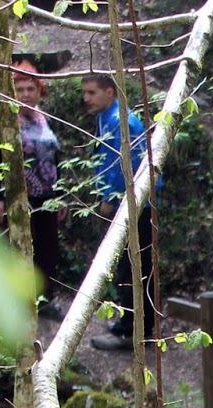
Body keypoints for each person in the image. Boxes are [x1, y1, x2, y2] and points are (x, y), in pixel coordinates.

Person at [82, 72, 162, 350]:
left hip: (134, 206)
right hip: (128, 205)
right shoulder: (106, 118)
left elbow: (125, 164)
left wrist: (109, 197)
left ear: (110, 92)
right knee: (129, 267)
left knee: (135, 268)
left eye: (92, 93)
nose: (86, 99)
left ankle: (133, 331)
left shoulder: (122, 122)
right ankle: (135, 324)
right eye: (85, 93)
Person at [0, 61, 64, 318]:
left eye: (31, 88)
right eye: (20, 89)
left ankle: (44, 299)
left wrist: (59, 195)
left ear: (40, 91)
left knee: (48, 249)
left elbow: (55, 159)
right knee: (13, 250)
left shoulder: (45, 119)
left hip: (46, 197)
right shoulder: (2, 121)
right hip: (16, 197)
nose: (26, 94)